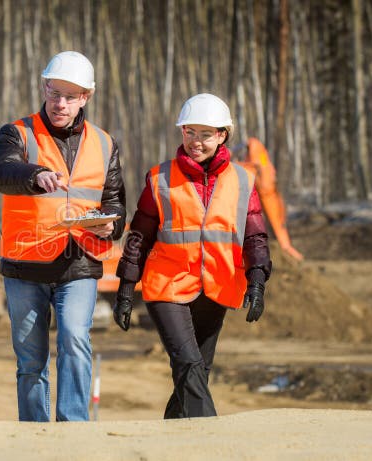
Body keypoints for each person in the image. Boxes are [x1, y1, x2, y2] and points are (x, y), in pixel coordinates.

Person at [112, 93, 271, 419]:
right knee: (188, 363)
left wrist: (257, 281)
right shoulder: (160, 178)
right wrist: (127, 288)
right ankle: (211, 441)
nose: (195, 142)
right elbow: (139, 236)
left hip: (217, 286)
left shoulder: (242, 181)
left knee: (198, 369)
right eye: (189, 132)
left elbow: (255, 235)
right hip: (166, 285)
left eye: (205, 134)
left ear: (222, 134)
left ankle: (172, 440)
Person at [0, 51, 126, 422]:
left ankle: (73, 430)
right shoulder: (17, 133)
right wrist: (35, 176)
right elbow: (1, 172)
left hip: (79, 261)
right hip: (25, 263)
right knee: (31, 359)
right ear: (44, 88)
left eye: (70, 95)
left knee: (74, 339)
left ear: (86, 97)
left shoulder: (105, 144)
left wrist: (112, 225)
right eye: (54, 93)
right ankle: (35, 436)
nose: (60, 103)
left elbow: (115, 202)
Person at [235, 137, 304, 261]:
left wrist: (234, 165)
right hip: (266, 190)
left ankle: (285, 247)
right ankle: (284, 246)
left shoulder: (256, 155)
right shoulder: (258, 154)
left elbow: (253, 169)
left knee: (277, 222)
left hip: (267, 191)